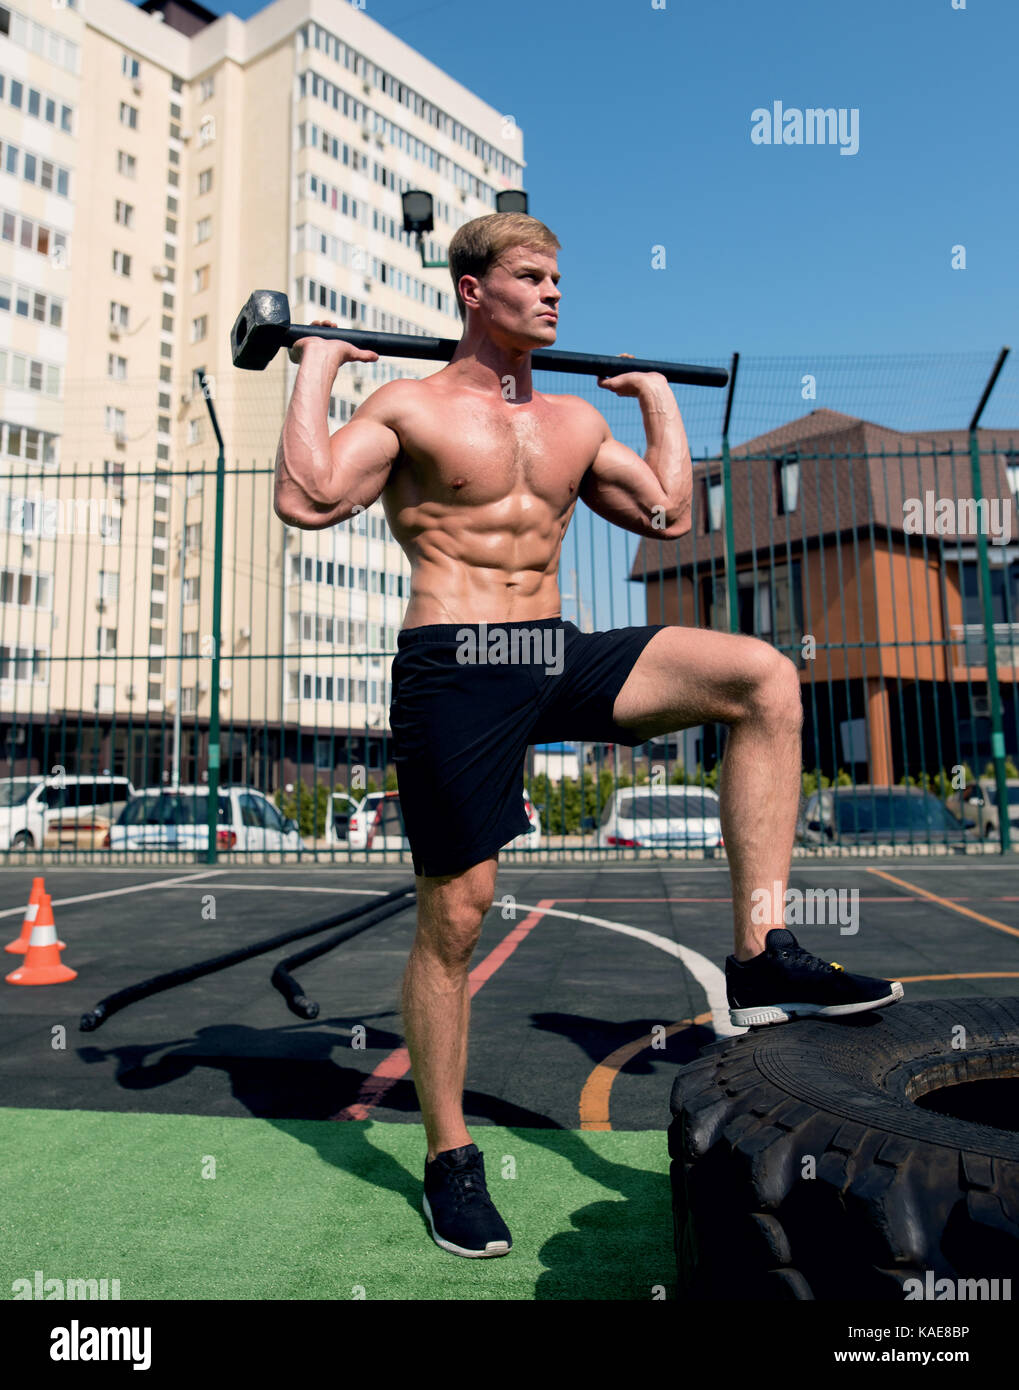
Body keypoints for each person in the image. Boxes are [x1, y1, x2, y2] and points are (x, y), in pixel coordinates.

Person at [274, 212, 903, 1259]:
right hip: (454, 669)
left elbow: (665, 516)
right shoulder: (408, 405)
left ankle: (760, 950)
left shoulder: (568, 423)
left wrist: (657, 406)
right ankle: (447, 1157)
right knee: (457, 916)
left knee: (760, 676)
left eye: (559, 278)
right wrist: (315, 367)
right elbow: (308, 497)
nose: (554, 294)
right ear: (472, 290)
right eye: (531, 276)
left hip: (549, 647)